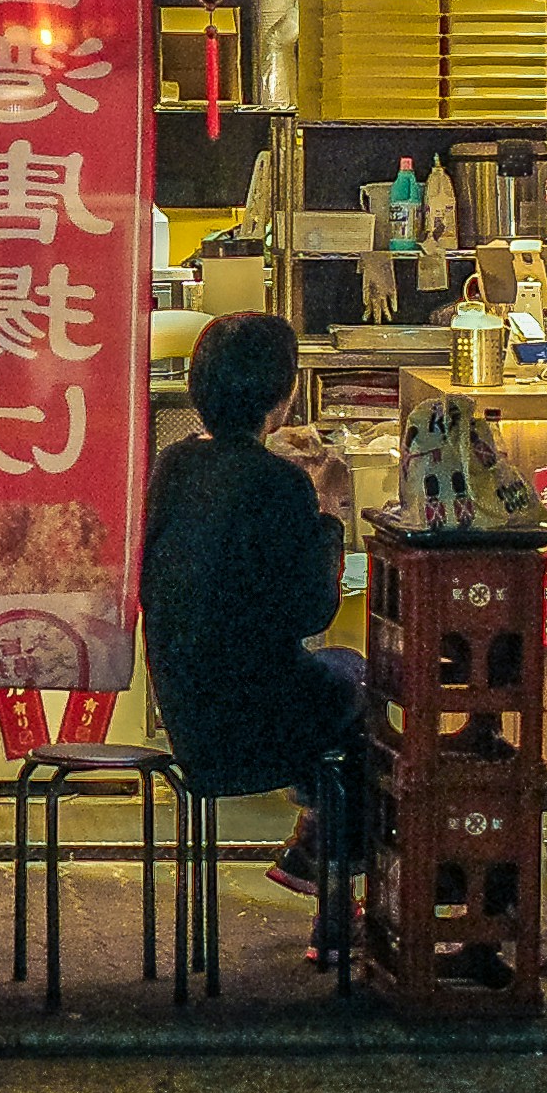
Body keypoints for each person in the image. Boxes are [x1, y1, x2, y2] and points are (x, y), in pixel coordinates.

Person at [141, 313, 371, 905]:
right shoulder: (279, 484)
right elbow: (312, 612)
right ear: (283, 394)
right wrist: (328, 516)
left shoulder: (172, 466)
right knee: (361, 681)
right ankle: (334, 883)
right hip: (256, 726)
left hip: (185, 713)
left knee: (339, 684)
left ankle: (317, 846)